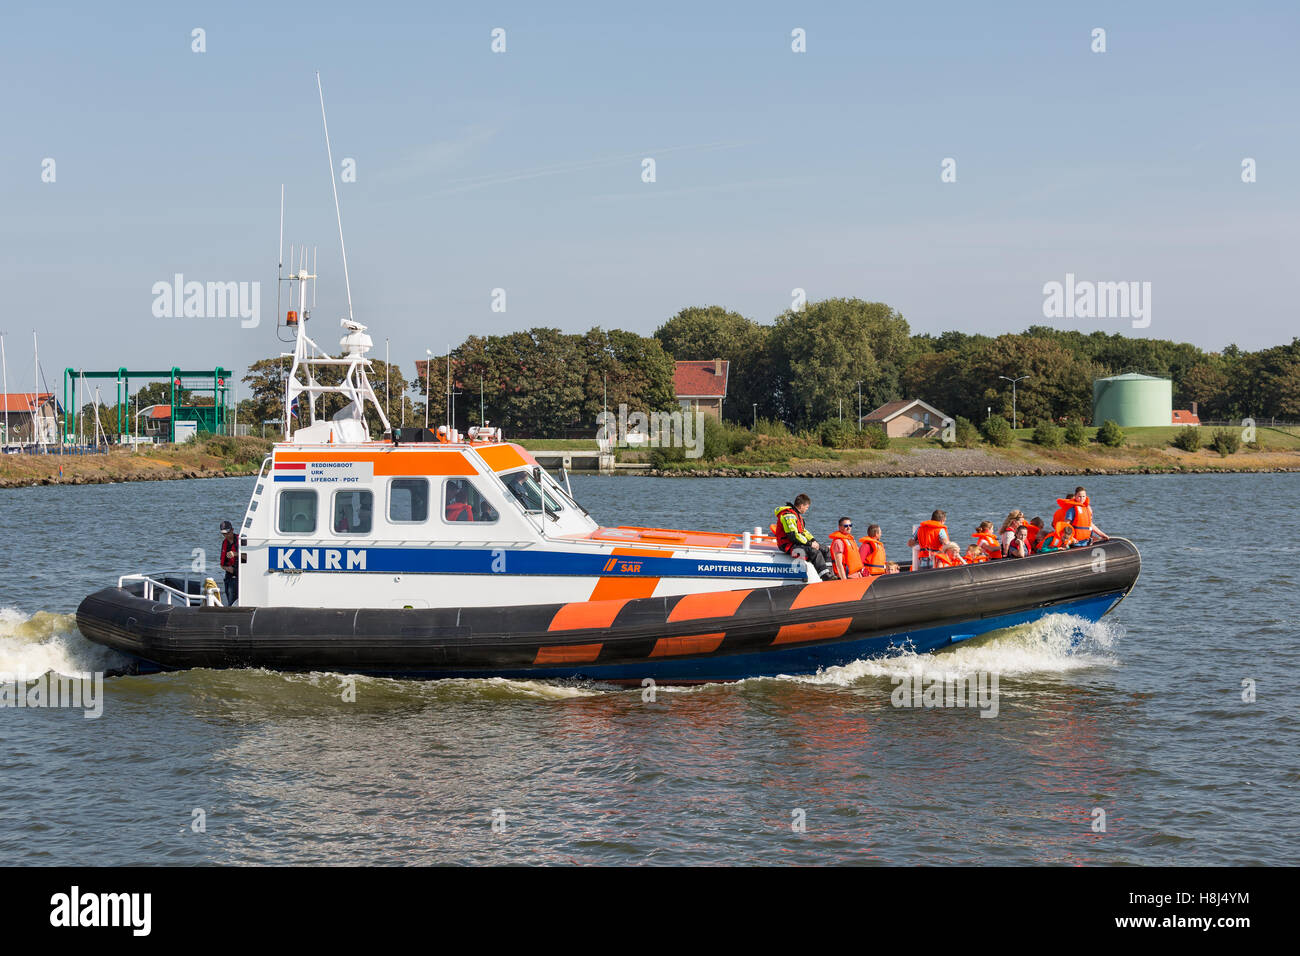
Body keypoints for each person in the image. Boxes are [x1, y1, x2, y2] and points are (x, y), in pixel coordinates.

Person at [774, 494, 835, 580]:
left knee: (825, 549)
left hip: (798, 543)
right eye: (806, 507)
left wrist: (814, 540)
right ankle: (826, 578)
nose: (807, 509)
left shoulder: (797, 515)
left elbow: (804, 531)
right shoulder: (788, 515)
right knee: (815, 552)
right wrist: (810, 544)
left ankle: (830, 574)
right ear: (801, 506)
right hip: (788, 546)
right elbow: (793, 536)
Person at [219, 519, 238, 605]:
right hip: (228, 576)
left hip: (239, 575)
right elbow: (222, 564)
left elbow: (249, 556)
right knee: (229, 597)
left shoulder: (241, 540)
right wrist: (227, 568)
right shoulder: (224, 543)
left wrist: (236, 554)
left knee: (233, 599)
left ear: (232, 530)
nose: (226, 535)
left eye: (227, 533)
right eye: (223, 533)